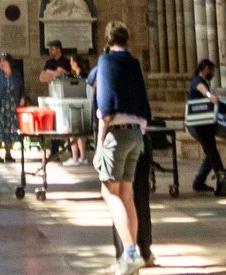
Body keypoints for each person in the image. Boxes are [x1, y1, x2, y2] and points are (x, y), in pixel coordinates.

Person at [87, 22, 150, 274]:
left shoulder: (106, 62)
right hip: (137, 134)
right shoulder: (134, 64)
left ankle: (131, 252)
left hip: (117, 133)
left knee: (109, 192)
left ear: (107, 39)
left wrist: (99, 145)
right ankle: (132, 253)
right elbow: (142, 99)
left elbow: (105, 105)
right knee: (126, 192)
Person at [187, 56, 226, 193]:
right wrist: (210, 96)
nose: (213, 74)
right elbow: (201, 89)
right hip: (197, 125)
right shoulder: (198, 81)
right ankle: (223, 178)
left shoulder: (202, 81)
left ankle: (199, 182)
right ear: (205, 69)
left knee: (211, 152)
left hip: (203, 125)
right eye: (212, 70)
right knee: (212, 152)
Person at [0, 52, 23, 161]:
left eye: (4, 61)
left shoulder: (16, 75)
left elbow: (21, 88)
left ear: (9, 62)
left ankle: (8, 153)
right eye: (0, 61)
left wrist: (22, 98)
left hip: (11, 106)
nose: (2, 63)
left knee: (10, 130)